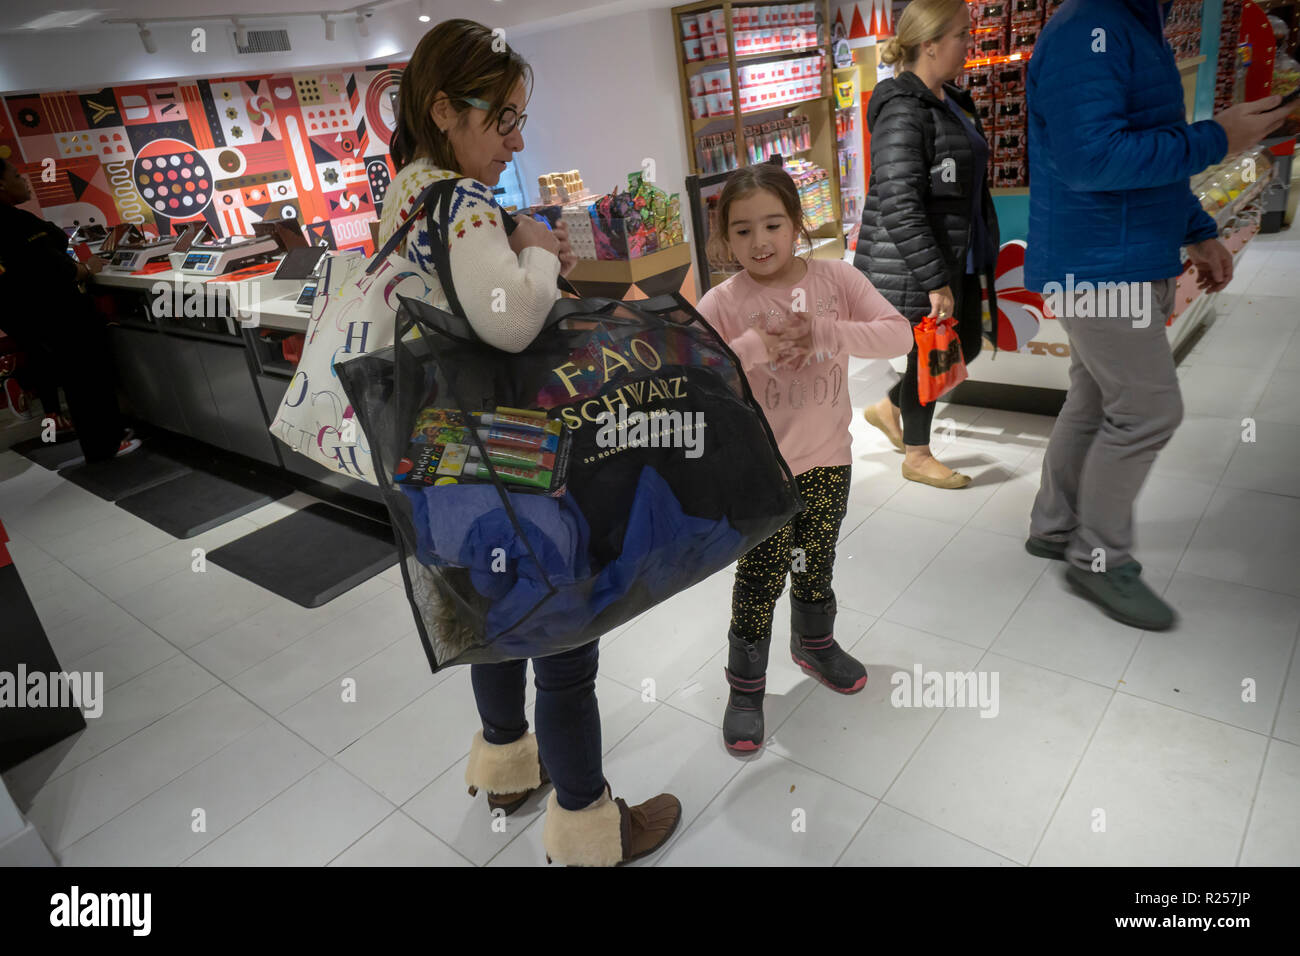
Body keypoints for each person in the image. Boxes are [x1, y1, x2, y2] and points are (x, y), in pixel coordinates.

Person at [378, 18, 680, 866]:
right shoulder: (462, 203)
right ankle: (591, 825)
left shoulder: (403, 191)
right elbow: (510, 323)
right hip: (503, 454)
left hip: (437, 456)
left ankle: (510, 768)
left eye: (518, 119)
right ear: (444, 109)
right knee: (561, 628)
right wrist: (540, 251)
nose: (514, 141)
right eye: (502, 118)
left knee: (492, 612)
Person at [1023, 0, 1289, 630]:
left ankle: (1055, 526)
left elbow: (1143, 144)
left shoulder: (1129, 21)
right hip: (1099, 264)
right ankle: (1096, 559)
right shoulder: (1092, 27)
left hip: (1117, 253)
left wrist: (1197, 228)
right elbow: (1093, 159)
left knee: (1094, 400)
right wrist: (1219, 138)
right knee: (1148, 409)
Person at [696, 163, 913, 753]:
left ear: (797, 224)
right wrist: (754, 349)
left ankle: (814, 644)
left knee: (814, 558)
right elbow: (700, 378)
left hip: (828, 458)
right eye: (742, 231)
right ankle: (746, 686)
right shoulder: (721, 301)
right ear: (724, 238)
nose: (759, 242)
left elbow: (899, 336)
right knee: (760, 576)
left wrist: (823, 333)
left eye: (772, 224)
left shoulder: (837, 280)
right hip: (760, 470)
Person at [855, 0, 999, 490]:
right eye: (962, 34)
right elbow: (897, 200)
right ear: (930, 42)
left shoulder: (951, 100)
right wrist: (934, 278)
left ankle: (889, 405)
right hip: (920, 260)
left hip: (958, 251)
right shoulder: (902, 110)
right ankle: (917, 455)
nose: (969, 44)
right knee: (931, 354)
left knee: (970, 343)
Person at [0, 154, 137, 462]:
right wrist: (87, 268)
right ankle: (107, 443)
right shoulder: (16, 224)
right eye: (16, 176)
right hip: (61, 315)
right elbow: (54, 269)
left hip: (33, 319)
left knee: (78, 380)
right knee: (87, 377)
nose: (24, 181)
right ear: (1, 185)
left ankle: (101, 441)